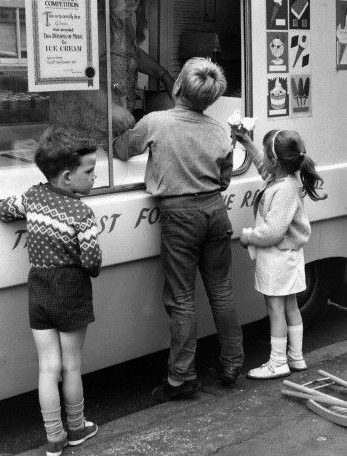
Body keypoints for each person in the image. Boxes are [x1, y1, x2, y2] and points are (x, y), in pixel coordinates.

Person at [113, 57, 244, 402]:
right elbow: (225, 179)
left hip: (180, 216)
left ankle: (182, 377)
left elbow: (122, 150)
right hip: (216, 212)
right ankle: (232, 363)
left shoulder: (156, 122)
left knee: (182, 298)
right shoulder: (219, 130)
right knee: (222, 291)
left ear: (176, 88)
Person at [0, 127, 102, 456]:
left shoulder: (32, 197)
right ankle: (76, 428)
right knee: (71, 366)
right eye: (90, 170)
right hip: (71, 289)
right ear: (68, 177)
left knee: (47, 367)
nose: (96, 176)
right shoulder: (83, 215)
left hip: (39, 287)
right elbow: (93, 262)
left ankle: (54, 437)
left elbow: (4, 210)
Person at [237, 129, 327, 379]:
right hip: (290, 257)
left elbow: (273, 232)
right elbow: (264, 167)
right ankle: (296, 357)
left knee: (275, 308)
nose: (262, 161)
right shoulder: (286, 179)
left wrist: (248, 237)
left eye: (265, 155)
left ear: (274, 161)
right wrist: (249, 144)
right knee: (290, 306)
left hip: (277, 257)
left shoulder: (283, 189)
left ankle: (277, 362)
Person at [49, 0, 174, 146]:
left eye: (137, 0)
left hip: (107, 134)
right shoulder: (97, 22)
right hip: (80, 135)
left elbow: (130, 52)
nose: (131, 6)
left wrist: (162, 74)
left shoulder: (123, 21)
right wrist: (112, 109)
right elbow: (74, 72)